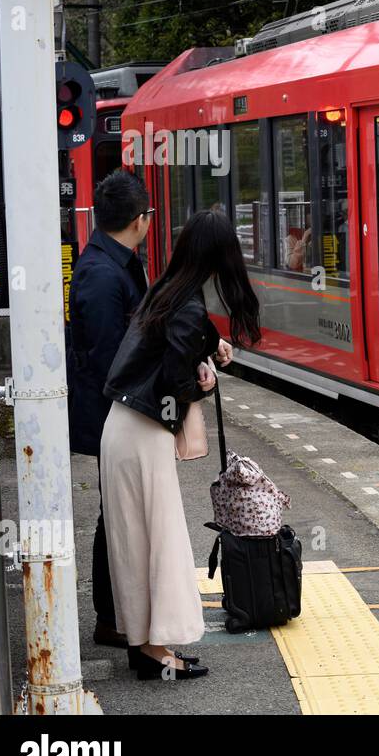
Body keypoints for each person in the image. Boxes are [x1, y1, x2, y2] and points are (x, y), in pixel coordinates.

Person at [101, 209, 261, 680]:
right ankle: (155, 652)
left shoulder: (165, 290)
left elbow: (170, 344)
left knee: (135, 544)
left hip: (123, 428)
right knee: (162, 542)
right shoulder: (188, 306)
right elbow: (173, 385)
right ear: (220, 256)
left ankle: (147, 648)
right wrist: (204, 384)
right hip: (145, 435)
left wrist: (209, 348)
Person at [66, 171, 153, 650]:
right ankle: (111, 617)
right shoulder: (103, 274)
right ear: (140, 220)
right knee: (115, 515)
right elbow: (107, 356)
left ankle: (119, 615)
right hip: (110, 415)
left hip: (116, 412)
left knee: (118, 512)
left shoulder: (115, 260)